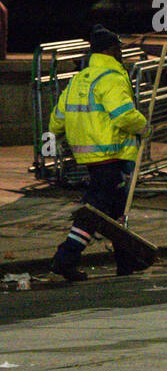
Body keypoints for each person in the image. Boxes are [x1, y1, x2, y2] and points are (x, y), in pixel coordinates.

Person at [48, 25, 150, 281]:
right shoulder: (112, 78)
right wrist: (144, 126)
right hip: (112, 154)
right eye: (119, 49)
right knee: (98, 213)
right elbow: (123, 115)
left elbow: (56, 122)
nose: (121, 54)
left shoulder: (79, 79)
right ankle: (66, 257)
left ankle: (126, 261)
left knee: (114, 211)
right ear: (111, 49)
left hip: (89, 156)